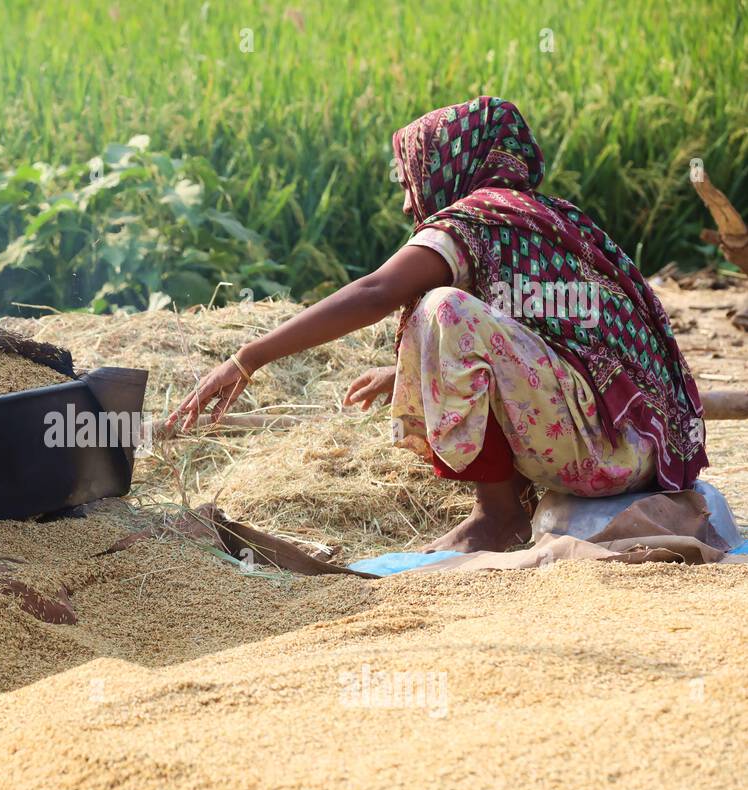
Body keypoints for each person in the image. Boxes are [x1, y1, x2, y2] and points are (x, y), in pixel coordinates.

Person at [166, 96, 707, 552]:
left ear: (450, 168)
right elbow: (543, 334)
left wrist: (247, 358)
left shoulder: (476, 216)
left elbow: (376, 291)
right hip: (647, 452)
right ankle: (506, 508)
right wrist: (410, 365)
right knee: (446, 320)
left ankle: (498, 517)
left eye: (410, 181)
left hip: (601, 457)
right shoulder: (548, 217)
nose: (407, 203)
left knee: (442, 309)